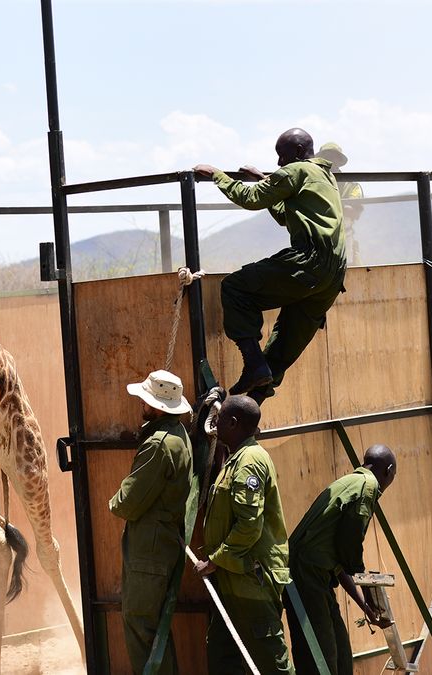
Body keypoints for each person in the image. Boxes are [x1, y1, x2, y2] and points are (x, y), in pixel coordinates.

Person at [195, 128, 346, 404]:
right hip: (333, 276)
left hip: (310, 261)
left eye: (282, 156)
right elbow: (285, 216)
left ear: (298, 153)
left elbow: (250, 198)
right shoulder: (325, 176)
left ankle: (253, 364)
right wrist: (267, 180)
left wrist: (218, 175)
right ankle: (248, 410)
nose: (278, 164)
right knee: (282, 348)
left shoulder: (295, 171)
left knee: (235, 288)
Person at [193, 396, 294, 674]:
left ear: (233, 423)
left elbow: (249, 525)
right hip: (235, 580)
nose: (215, 425)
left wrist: (215, 560)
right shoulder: (237, 458)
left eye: (221, 419)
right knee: (223, 656)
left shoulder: (248, 462)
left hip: (251, 581)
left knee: (271, 661)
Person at [284, 444, 398, 674]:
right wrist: (368, 590)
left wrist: (364, 604)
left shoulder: (348, 483)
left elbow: (341, 561)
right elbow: (350, 547)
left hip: (316, 575)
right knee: (320, 654)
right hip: (306, 575)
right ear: (388, 470)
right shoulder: (368, 487)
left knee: (340, 650)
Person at [109, 370, 194, 675]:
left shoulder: (159, 444)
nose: (141, 405)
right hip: (162, 544)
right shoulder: (178, 436)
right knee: (154, 632)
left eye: (145, 400)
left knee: (140, 626)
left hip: (150, 549)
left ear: (156, 407)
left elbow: (127, 503)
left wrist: (115, 499)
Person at [315, 142, 364, 266]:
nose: (329, 159)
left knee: (351, 273)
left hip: (345, 238)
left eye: (333, 155)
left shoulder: (352, 185)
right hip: (318, 240)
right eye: (325, 155)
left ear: (339, 159)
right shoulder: (314, 183)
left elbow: (352, 210)